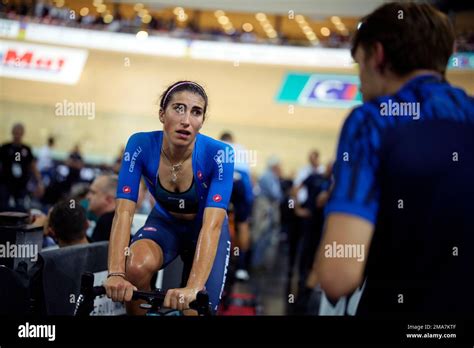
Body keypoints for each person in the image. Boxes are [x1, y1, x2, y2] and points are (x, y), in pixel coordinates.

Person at [310, 2, 474, 315]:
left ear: (378, 55)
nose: (360, 84)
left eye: (359, 66)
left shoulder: (371, 121)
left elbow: (337, 276)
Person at [104, 81, 234, 314]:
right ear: (162, 114)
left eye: (196, 112)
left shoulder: (220, 154)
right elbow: (123, 212)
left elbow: (212, 226)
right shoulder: (139, 145)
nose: (186, 120)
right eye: (179, 108)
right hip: (165, 224)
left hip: (204, 228)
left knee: (195, 307)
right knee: (133, 267)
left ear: (202, 121)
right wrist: (116, 273)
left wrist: (194, 287)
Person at [219, 132, 254, 281]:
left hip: (225, 180)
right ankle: (241, 267)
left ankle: (217, 262)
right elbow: (249, 178)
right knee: (243, 224)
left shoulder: (218, 146)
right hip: (241, 183)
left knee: (215, 220)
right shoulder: (241, 148)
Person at [0, 123, 44, 212]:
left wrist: (39, 182)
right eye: (15, 133)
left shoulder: (26, 149)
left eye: (19, 133)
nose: (17, 136)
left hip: (21, 185)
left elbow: (33, 166)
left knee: (20, 209)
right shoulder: (5, 147)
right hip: (6, 183)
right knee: (3, 206)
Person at [86, 174, 118, 242]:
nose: (88, 197)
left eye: (93, 192)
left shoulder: (107, 224)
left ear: (109, 200)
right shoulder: (116, 221)